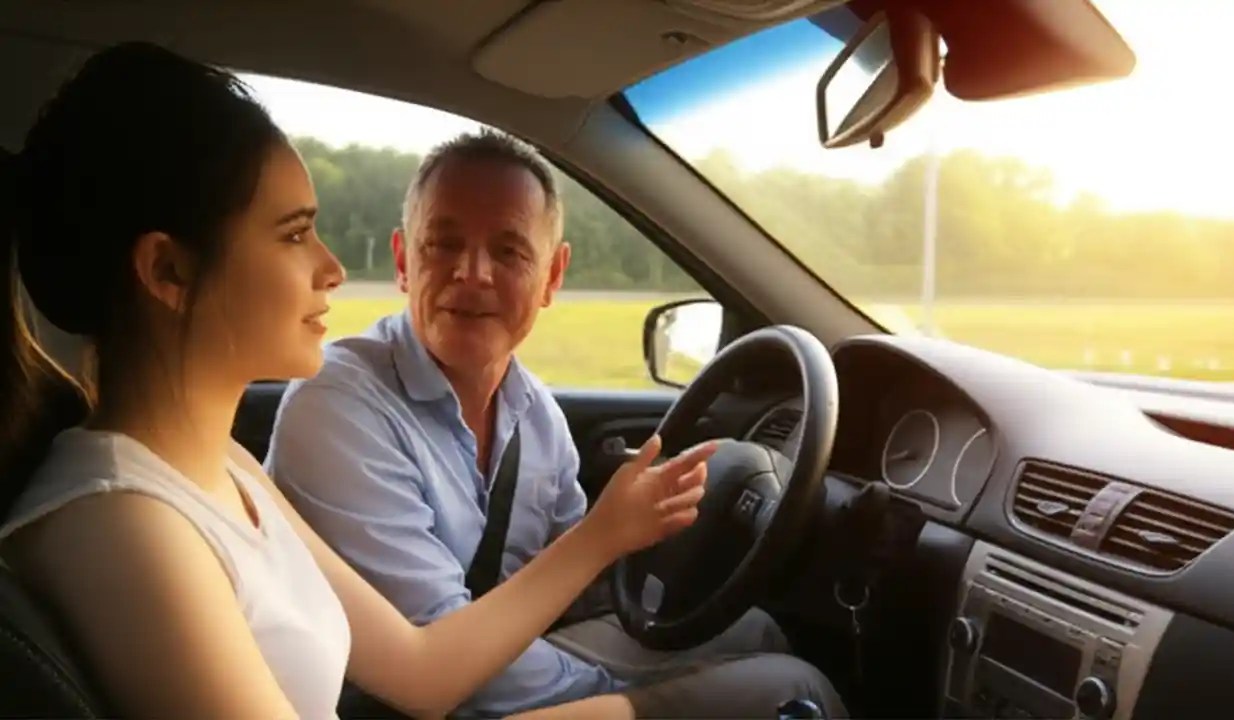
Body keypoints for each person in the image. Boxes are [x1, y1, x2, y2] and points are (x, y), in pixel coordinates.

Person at [0, 41, 722, 720]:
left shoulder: (224, 468)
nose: (333, 269)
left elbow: (421, 668)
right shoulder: (123, 525)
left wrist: (612, 556)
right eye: (293, 233)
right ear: (169, 272)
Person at [265, 130, 848, 718]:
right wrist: (617, 684)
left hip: (492, 663)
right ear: (403, 262)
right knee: (795, 689)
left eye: (509, 252)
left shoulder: (537, 416)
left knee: (758, 634)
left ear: (552, 276)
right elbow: (438, 674)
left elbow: (573, 585)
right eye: (442, 245)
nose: (472, 273)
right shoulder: (340, 402)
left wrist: (661, 537)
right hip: (400, 701)